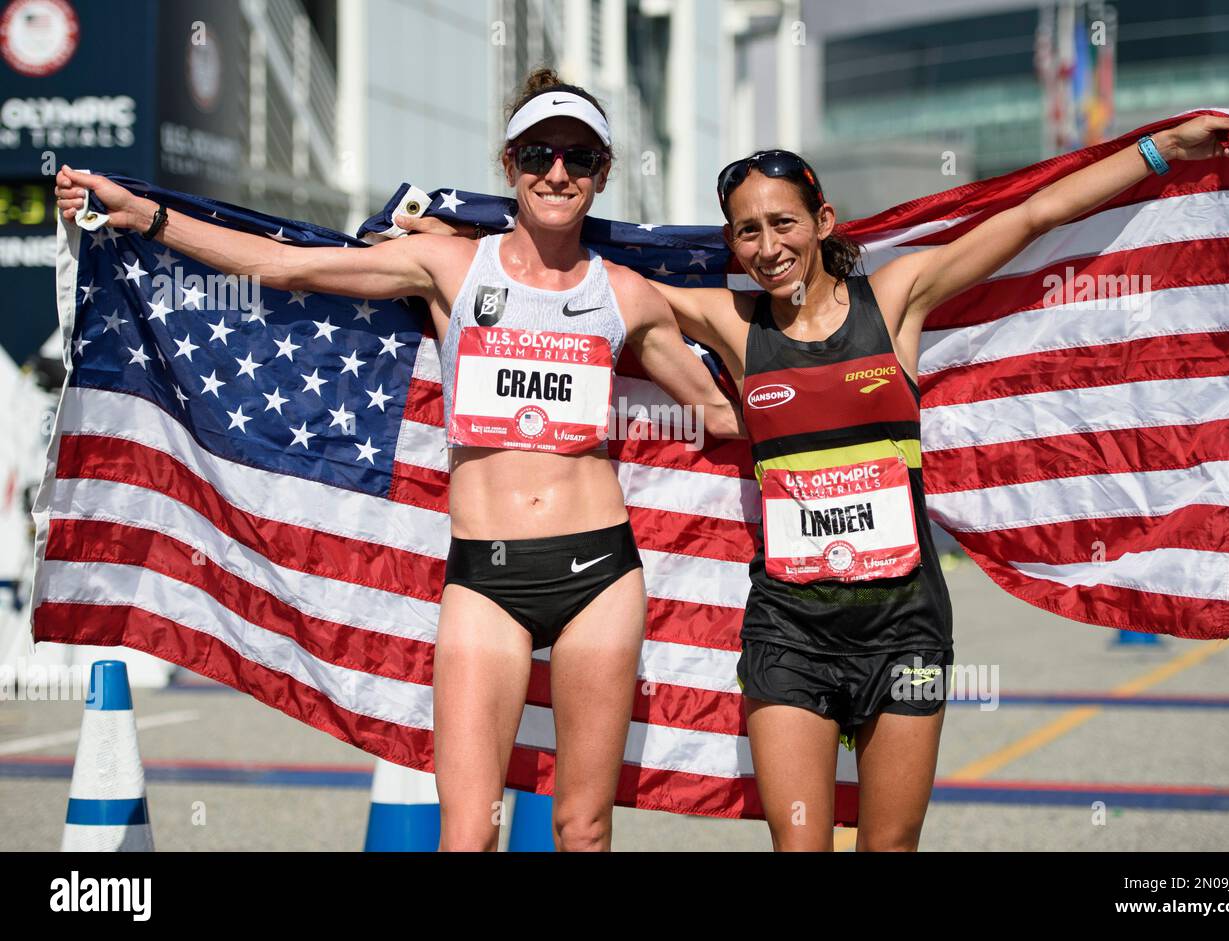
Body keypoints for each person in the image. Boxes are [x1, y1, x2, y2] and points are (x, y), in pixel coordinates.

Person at [55, 67, 744, 852]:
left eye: (579, 158)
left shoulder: (626, 293)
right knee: (466, 833)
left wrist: (715, 312)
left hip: (598, 572)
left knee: (582, 828)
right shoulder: (450, 265)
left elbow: (722, 411)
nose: (558, 172)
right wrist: (150, 217)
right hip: (486, 575)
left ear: (603, 173)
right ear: (510, 163)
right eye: (539, 153)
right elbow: (286, 266)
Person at [648, 115, 1229, 850]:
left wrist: (1159, 150)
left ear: (822, 220)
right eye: (746, 232)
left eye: (783, 223)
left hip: (906, 629)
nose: (768, 248)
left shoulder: (894, 297)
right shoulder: (733, 325)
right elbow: (605, 282)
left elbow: (1034, 215)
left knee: (889, 846)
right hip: (789, 632)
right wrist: (491, 225)